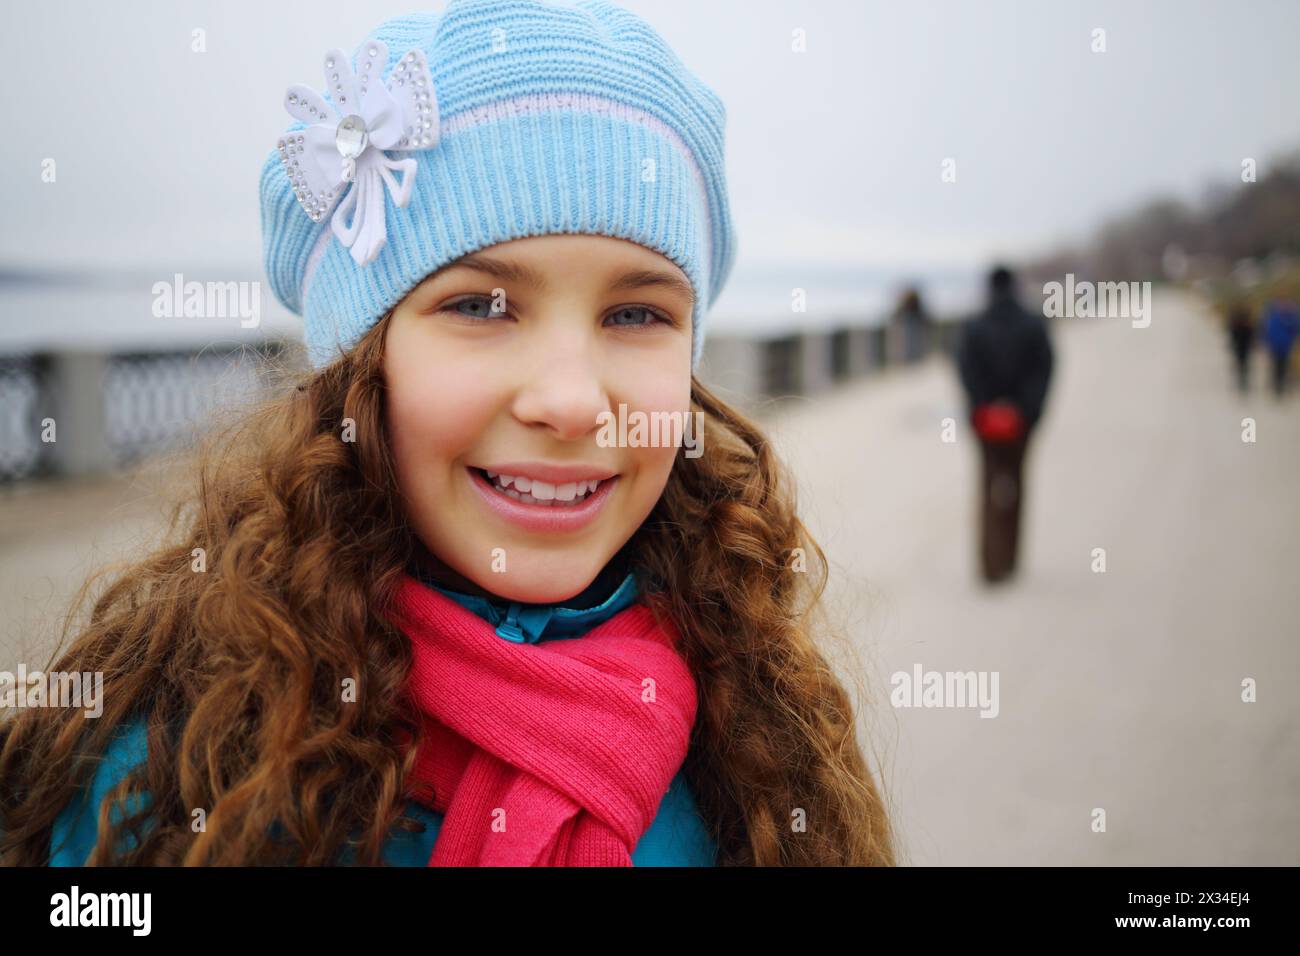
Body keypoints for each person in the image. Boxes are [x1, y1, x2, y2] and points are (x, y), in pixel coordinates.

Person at [0, 0, 894, 867]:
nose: (573, 401)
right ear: (361, 371)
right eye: (479, 305)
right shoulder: (170, 772)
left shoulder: (759, 738)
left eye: (634, 314)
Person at [956, 265, 1054, 583]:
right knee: (1017, 485)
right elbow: (1044, 370)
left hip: (986, 423)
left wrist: (983, 405)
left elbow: (966, 371)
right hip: (1021, 423)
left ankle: (989, 565)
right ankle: (1011, 559)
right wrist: (1026, 411)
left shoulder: (975, 325)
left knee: (988, 487)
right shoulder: (1033, 324)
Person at [1261, 297, 1299, 397]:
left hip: (1287, 346)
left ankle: (1282, 385)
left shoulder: (1292, 317)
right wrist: (1267, 342)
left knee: (1285, 365)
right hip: (1275, 346)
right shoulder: (1273, 318)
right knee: (1276, 366)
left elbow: (1296, 330)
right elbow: (1267, 332)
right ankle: (1277, 385)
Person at [1226, 302, 1255, 394]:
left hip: (1244, 345)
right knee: (1241, 362)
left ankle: (1243, 379)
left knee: (1243, 362)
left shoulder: (1242, 322)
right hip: (1240, 345)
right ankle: (1242, 379)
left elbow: (1251, 333)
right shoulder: (1237, 322)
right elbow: (1232, 333)